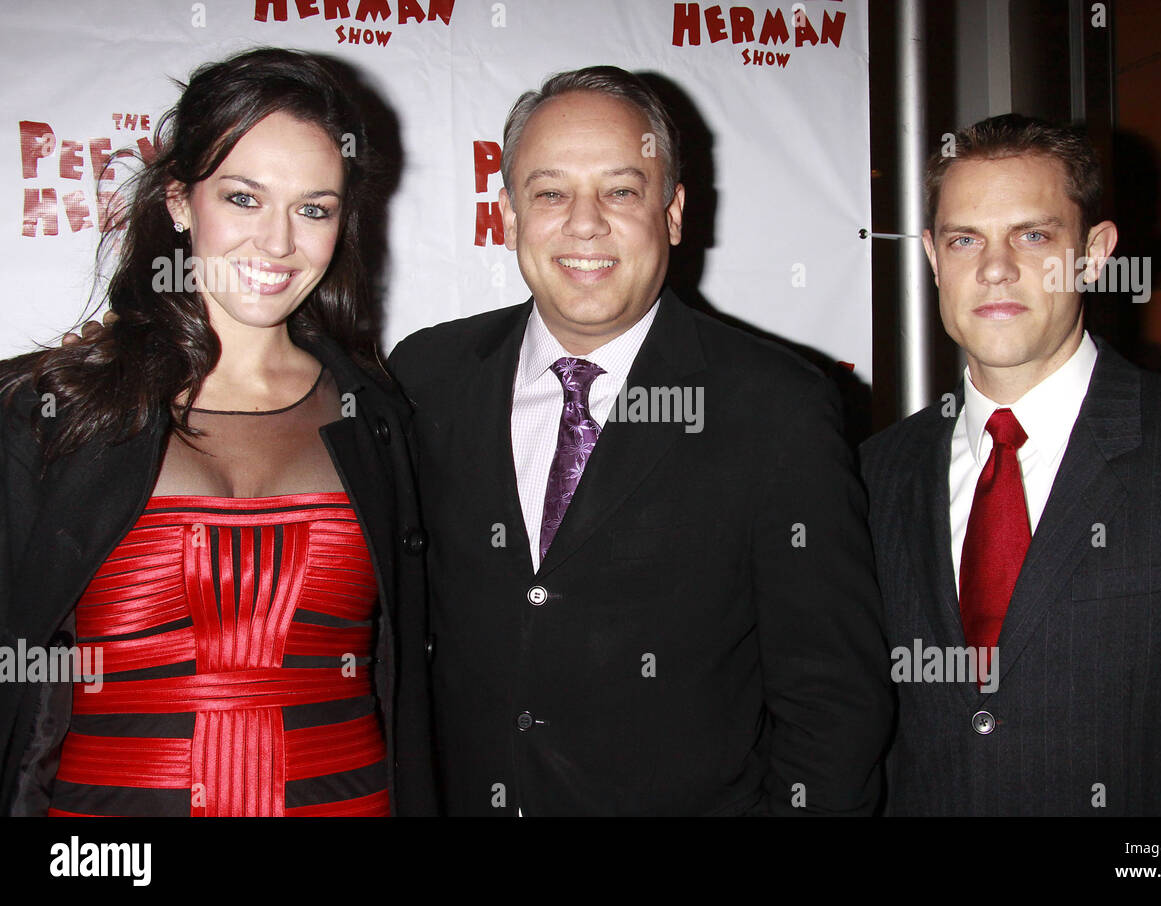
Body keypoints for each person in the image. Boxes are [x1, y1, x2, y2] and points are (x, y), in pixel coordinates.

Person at [388, 66, 892, 816]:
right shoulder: (427, 378)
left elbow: (833, 699)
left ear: (674, 212)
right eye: (550, 192)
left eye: (621, 192)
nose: (584, 223)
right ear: (508, 214)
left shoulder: (776, 406)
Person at [0, 48, 435, 816]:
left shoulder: (379, 419)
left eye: (313, 208)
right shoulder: (52, 410)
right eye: (243, 198)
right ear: (177, 200)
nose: (276, 244)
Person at [859, 113, 1161, 815]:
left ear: (1094, 254)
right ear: (933, 258)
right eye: (965, 238)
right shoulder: (870, 477)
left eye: (1033, 236)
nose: (995, 267)